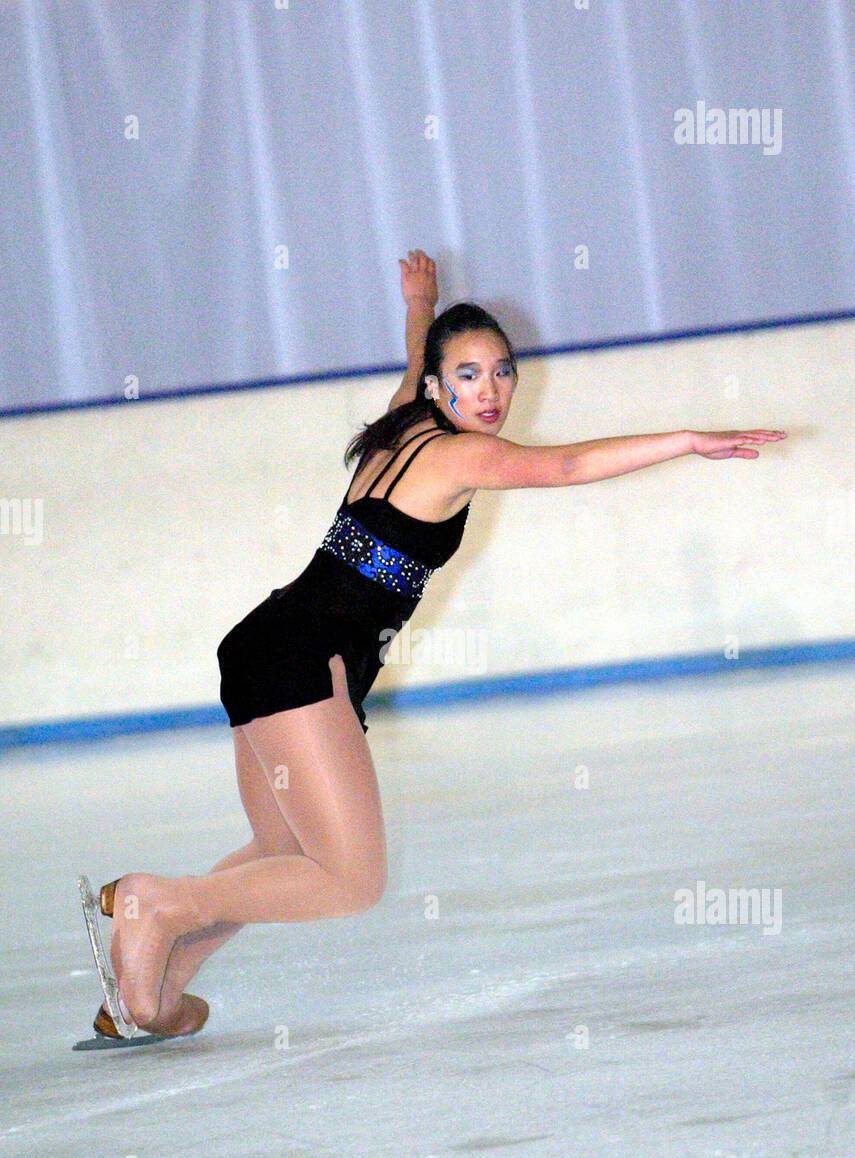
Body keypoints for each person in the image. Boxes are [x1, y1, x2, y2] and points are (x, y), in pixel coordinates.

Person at [87, 249, 786, 1042]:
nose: (488, 393)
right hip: (300, 662)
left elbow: (417, 358)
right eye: (469, 376)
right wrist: (688, 438)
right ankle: (157, 903)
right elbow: (566, 464)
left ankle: (152, 987)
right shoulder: (460, 453)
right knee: (350, 879)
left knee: (281, 846)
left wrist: (420, 304)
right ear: (440, 386)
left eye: (501, 373)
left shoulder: (403, 419)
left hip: (262, 642)